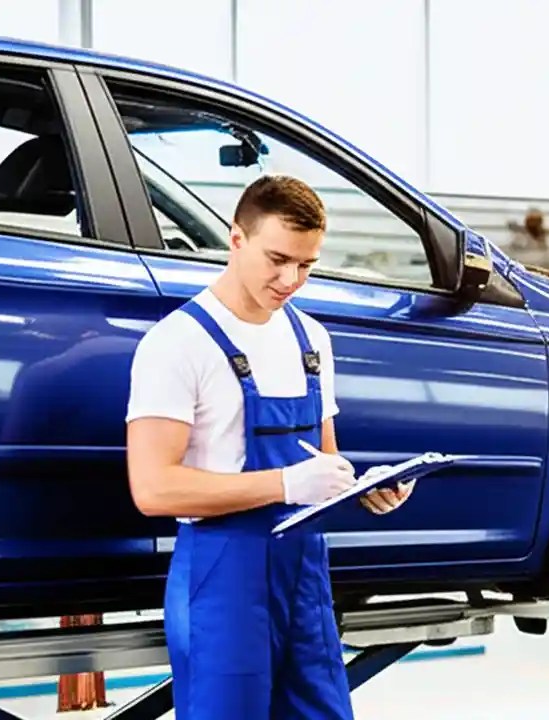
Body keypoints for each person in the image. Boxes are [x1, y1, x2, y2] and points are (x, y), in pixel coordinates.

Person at [124, 174, 414, 719]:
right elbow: (153, 488)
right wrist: (283, 485)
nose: (291, 280)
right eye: (277, 259)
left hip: (305, 577)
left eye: (306, 265)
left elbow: (323, 463)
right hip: (222, 579)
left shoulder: (311, 340)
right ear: (236, 239)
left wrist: (363, 488)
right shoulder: (177, 344)